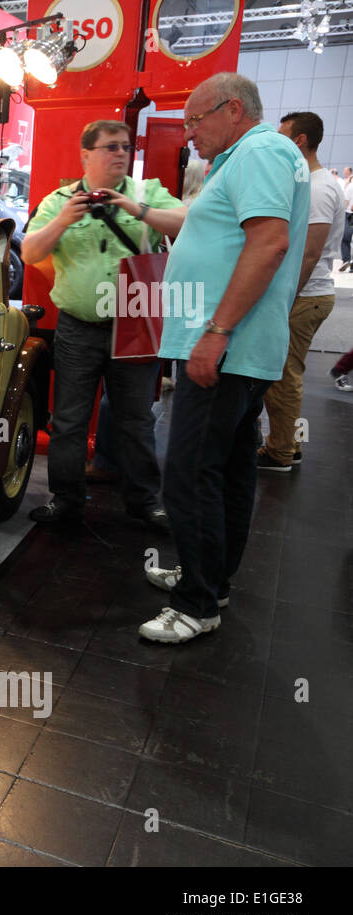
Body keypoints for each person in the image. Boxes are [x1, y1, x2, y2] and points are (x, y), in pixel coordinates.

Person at [141, 72, 309, 644]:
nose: (188, 133)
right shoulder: (243, 157)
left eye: (194, 120)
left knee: (188, 474)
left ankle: (197, 604)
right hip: (234, 346)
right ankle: (210, 579)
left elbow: (269, 243)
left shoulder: (260, 149)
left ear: (232, 109)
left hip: (226, 346)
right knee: (228, 469)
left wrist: (215, 331)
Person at [20, 119, 185, 530]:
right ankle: (66, 500)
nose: (121, 154)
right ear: (86, 154)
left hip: (134, 318)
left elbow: (186, 223)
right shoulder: (59, 200)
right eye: (111, 146)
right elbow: (28, 251)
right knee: (70, 419)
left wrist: (134, 209)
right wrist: (62, 222)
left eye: (126, 147)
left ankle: (145, 501)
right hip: (78, 326)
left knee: (136, 418)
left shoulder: (147, 193)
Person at [257, 112, 343, 472]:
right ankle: (284, 445)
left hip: (306, 295)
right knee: (281, 371)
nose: (279, 143)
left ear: (301, 140)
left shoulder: (319, 186)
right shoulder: (310, 180)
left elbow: (310, 252)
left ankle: (281, 451)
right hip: (305, 292)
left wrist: (287, 296)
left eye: (284, 136)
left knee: (284, 372)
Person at [340, 166, 353, 270]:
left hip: (349, 215)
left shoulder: (350, 187)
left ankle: (346, 260)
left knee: (345, 239)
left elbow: (346, 202)